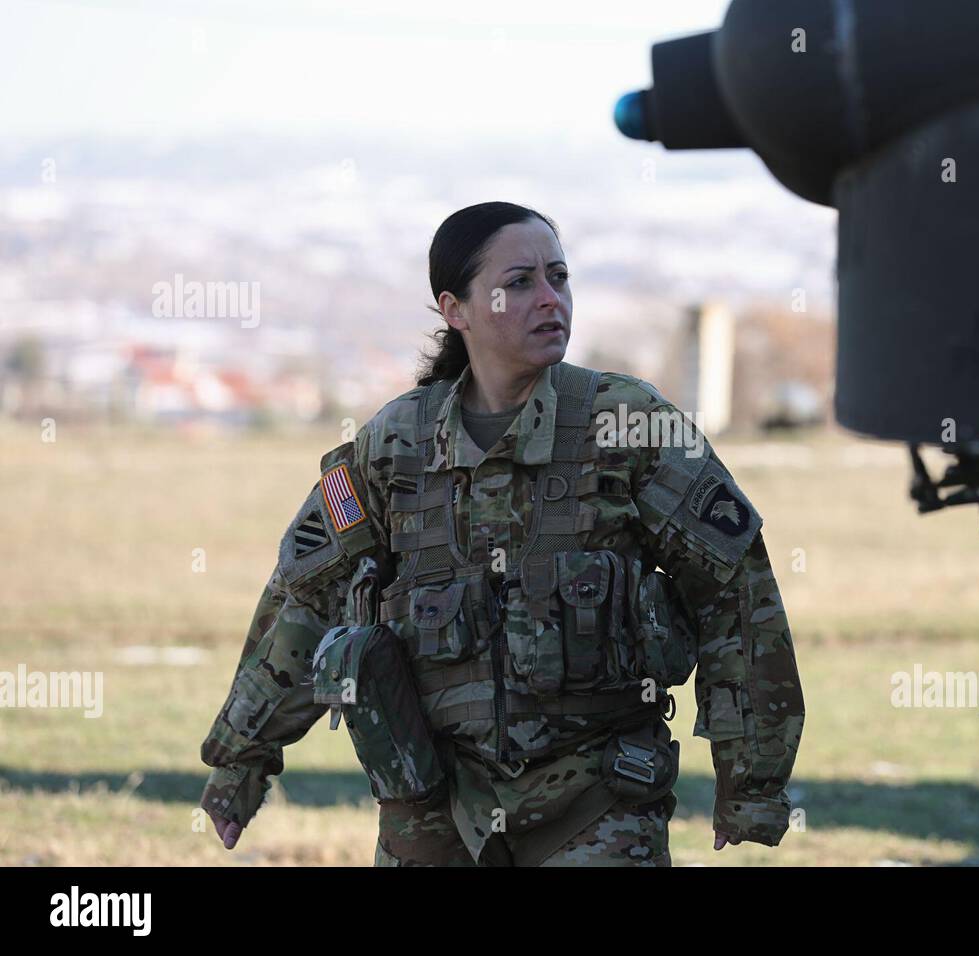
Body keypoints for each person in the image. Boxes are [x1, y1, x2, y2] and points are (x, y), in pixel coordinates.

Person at [199, 201, 805, 866]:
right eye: (519, 283)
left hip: (598, 806)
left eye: (559, 277)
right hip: (430, 812)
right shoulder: (393, 446)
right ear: (456, 309)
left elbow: (735, 589)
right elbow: (306, 599)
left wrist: (752, 780)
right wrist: (242, 759)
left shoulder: (627, 422)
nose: (550, 299)